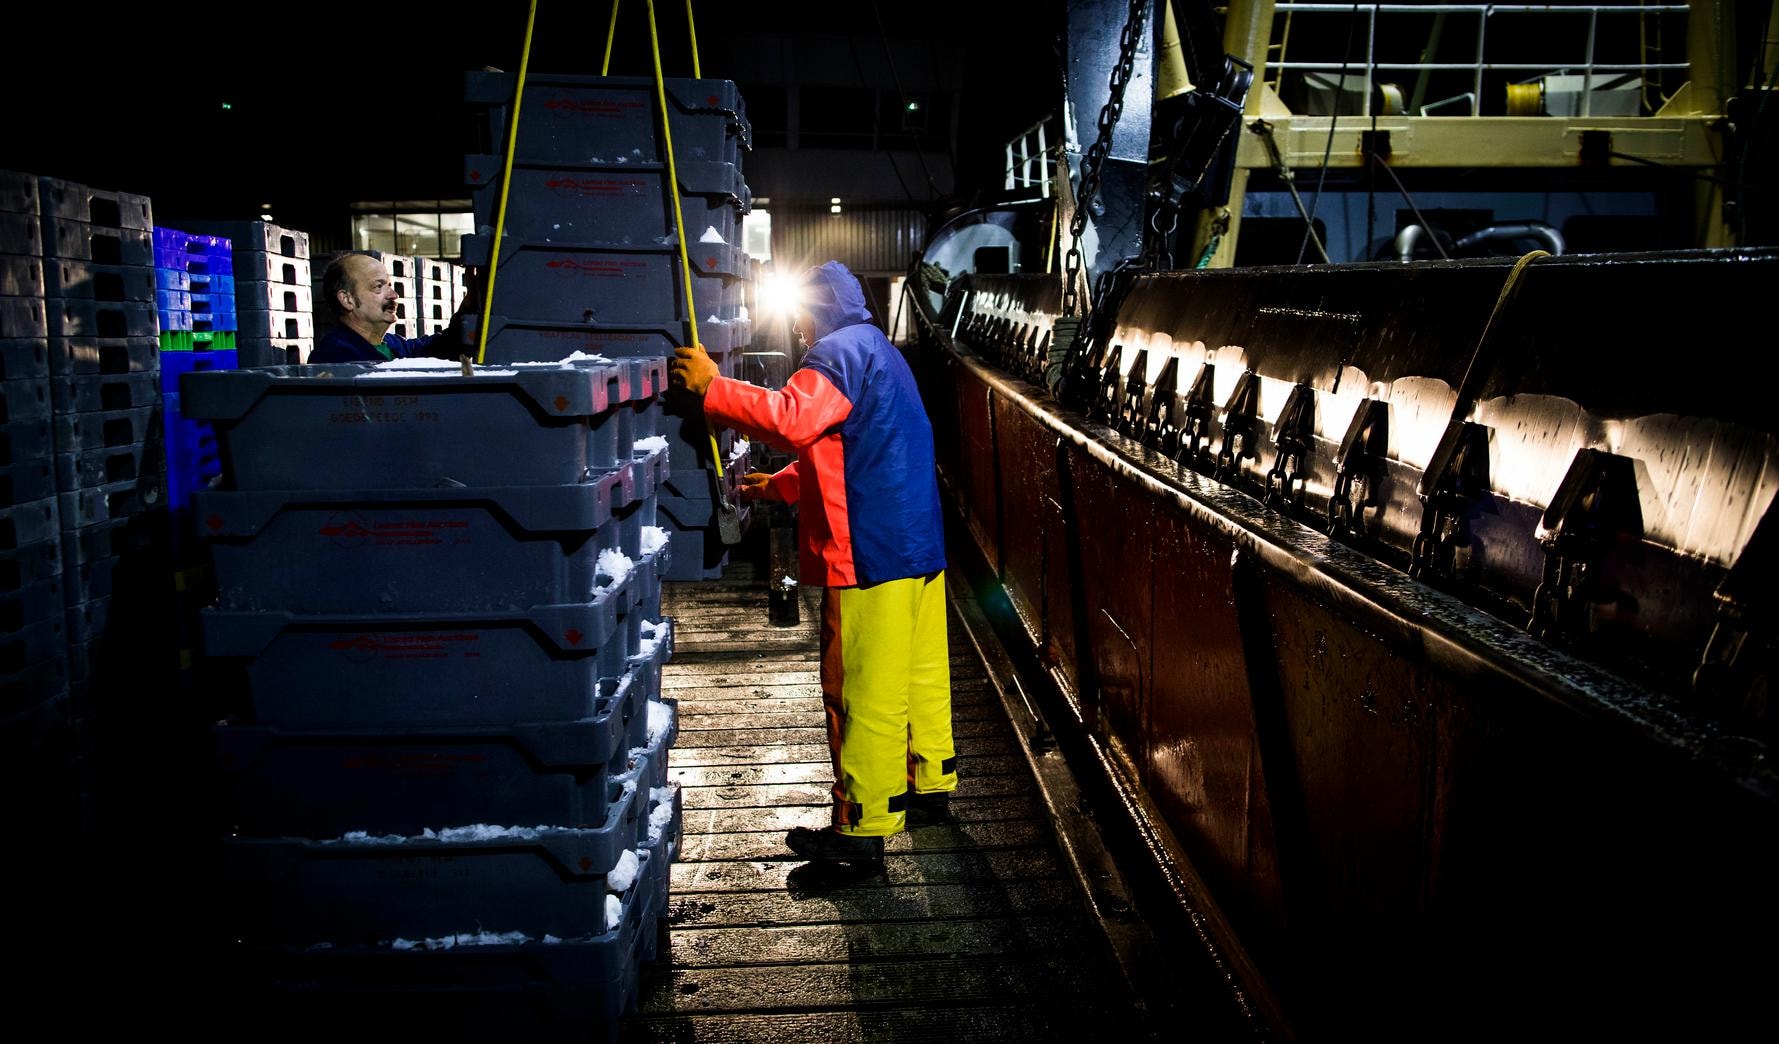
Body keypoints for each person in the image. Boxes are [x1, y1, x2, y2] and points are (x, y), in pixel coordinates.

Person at [670, 260, 957, 865]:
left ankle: (861, 829)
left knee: (860, 689)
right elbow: (846, 451)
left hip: (871, 553)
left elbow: (791, 417)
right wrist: (773, 486)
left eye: (801, 315)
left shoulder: (837, 355)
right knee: (916, 676)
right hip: (918, 547)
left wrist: (712, 386)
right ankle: (928, 784)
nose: (798, 329)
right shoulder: (880, 351)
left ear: (819, 310)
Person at [309, 250, 470, 364]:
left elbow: (442, 347)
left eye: (389, 285)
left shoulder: (390, 344)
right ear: (347, 300)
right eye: (378, 286)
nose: (394, 295)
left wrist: (472, 302)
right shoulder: (334, 357)